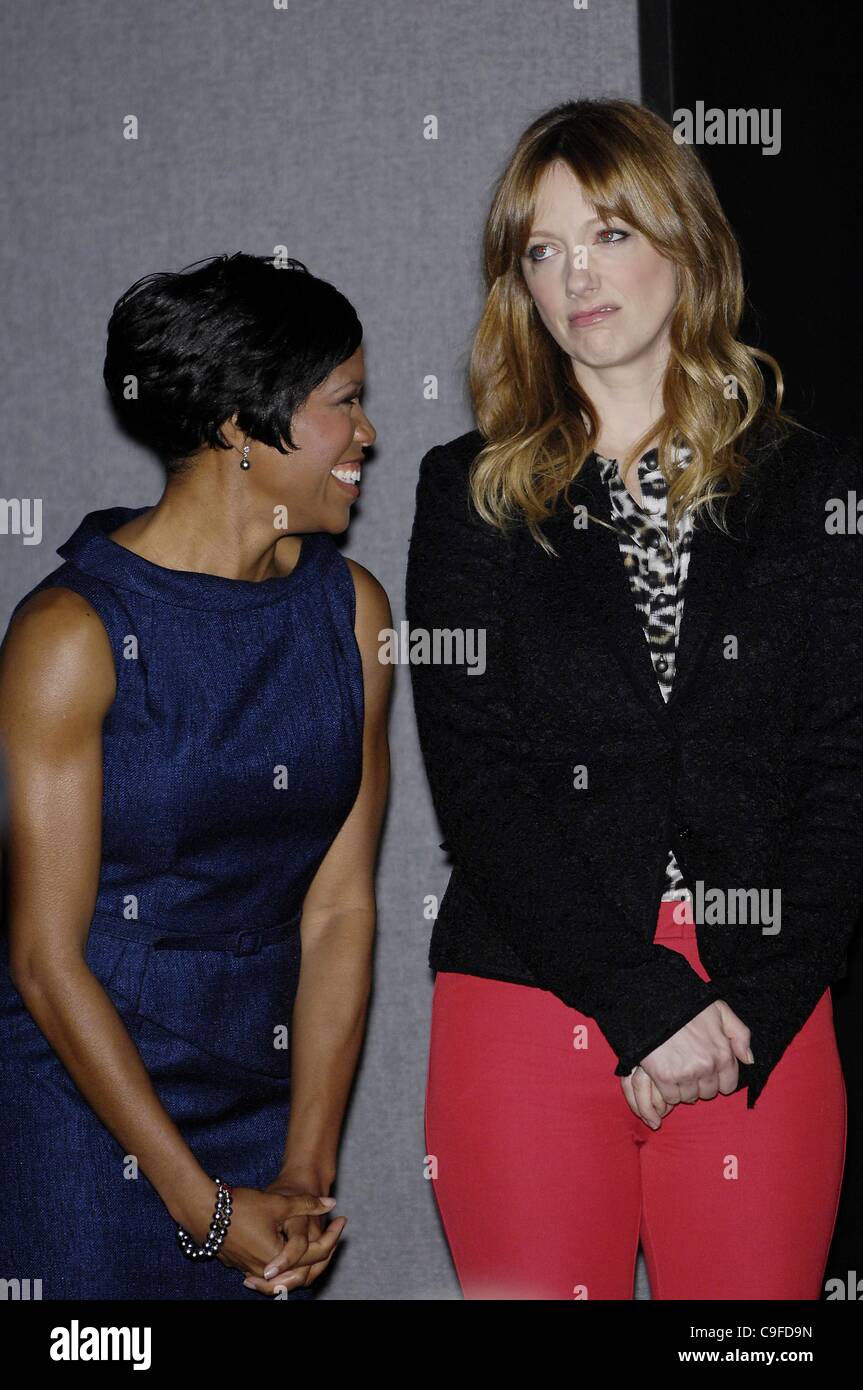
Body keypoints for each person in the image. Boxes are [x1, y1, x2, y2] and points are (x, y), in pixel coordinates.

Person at [406, 98, 863, 1300]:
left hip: (755, 1002)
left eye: (606, 234)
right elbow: (478, 781)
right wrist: (636, 999)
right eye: (540, 251)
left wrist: (742, 1006)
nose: (574, 278)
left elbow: (841, 770)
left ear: (683, 241)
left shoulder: (808, 484)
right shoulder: (469, 493)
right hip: (530, 990)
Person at [0, 253, 391, 1299]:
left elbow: (340, 907)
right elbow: (43, 957)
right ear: (236, 424)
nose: (365, 436)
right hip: (82, 1094)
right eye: (342, 404)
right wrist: (202, 1207)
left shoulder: (352, 613)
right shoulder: (69, 635)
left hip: (261, 1079)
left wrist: (304, 1168)